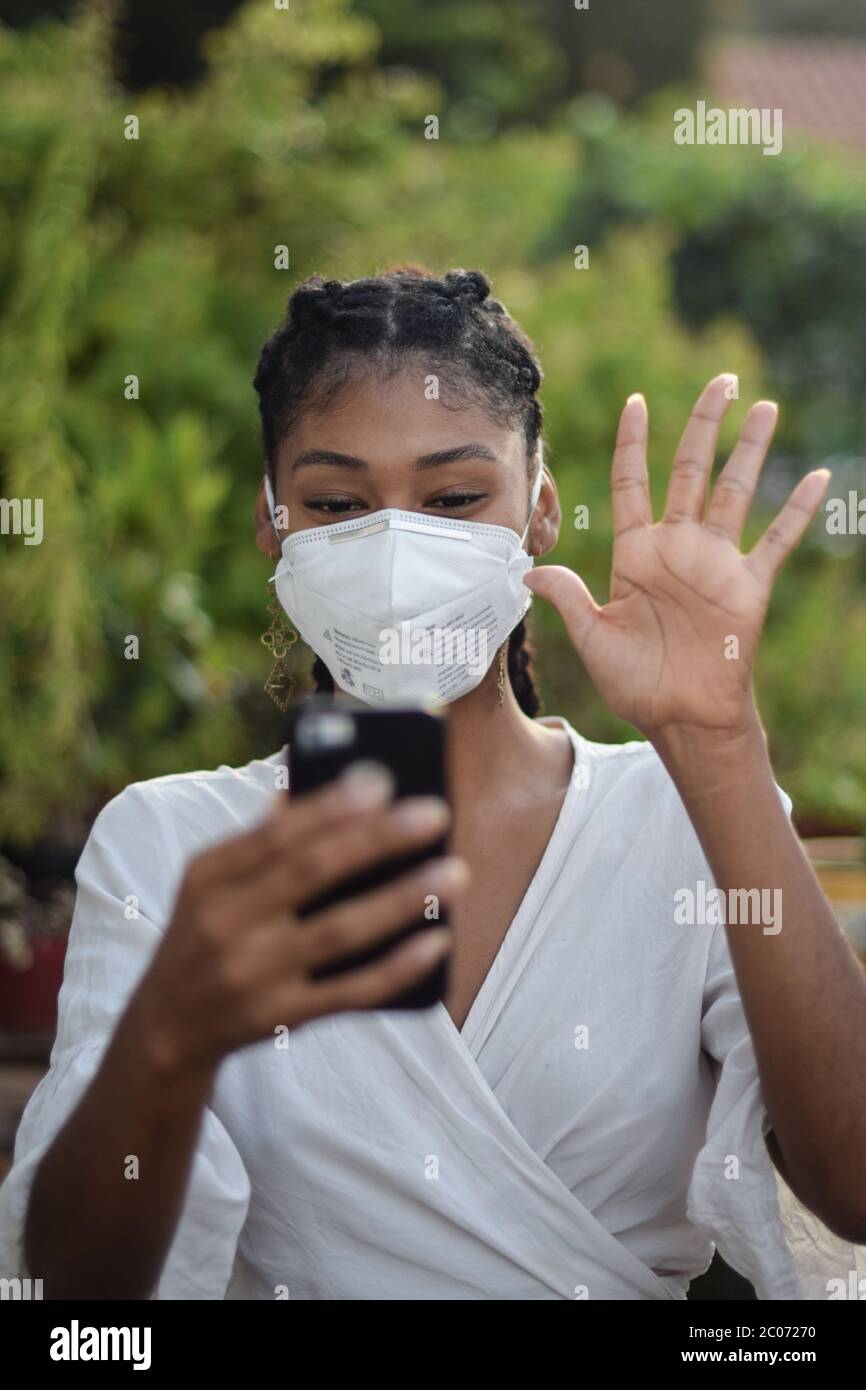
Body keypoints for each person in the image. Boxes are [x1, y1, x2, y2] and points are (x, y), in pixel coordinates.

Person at [2, 266, 865, 1301]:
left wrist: (718, 746)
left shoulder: (680, 821)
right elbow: (75, 1291)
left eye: (454, 498)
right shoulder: (173, 843)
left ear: (539, 512)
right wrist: (167, 1040)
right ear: (272, 522)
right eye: (337, 503)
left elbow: (854, 1190)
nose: (398, 548)